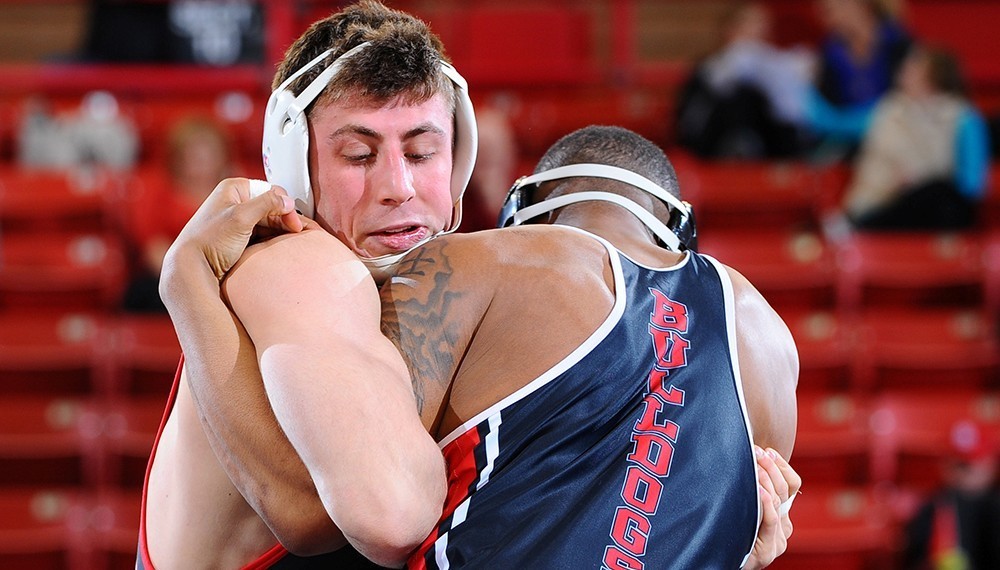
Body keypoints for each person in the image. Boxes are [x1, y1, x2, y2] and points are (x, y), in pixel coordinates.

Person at [144, 2, 800, 568]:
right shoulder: (295, 267)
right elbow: (363, 517)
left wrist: (720, 537)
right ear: (293, 163)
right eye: (359, 154)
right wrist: (187, 283)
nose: (399, 186)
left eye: (423, 151)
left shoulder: (434, 306)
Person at [840, 44, 990, 230]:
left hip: (935, 208)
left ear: (935, 74)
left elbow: (971, 186)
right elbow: (835, 123)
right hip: (881, 207)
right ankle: (854, 227)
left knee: (941, 193)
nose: (904, 70)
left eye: (915, 66)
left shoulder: (964, 117)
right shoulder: (887, 109)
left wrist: (917, 182)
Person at [121, 115, 242, 312]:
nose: (201, 160)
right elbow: (155, 253)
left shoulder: (240, 191)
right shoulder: (157, 194)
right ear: (177, 156)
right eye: (193, 153)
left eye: (208, 152)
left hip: (227, 279)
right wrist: (200, 285)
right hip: (173, 281)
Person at [674, 2, 814, 159]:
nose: (757, 30)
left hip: (767, 152)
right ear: (730, 28)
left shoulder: (777, 68)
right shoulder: (706, 69)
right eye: (750, 23)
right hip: (714, 150)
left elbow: (791, 119)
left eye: (762, 24)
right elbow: (690, 125)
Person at [902, 420, 1000, 570]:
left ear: (991, 463)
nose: (967, 472)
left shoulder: (994, 505)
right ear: (943, 466)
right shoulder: (931, 510)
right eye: (959, 464)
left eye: (972, 463)